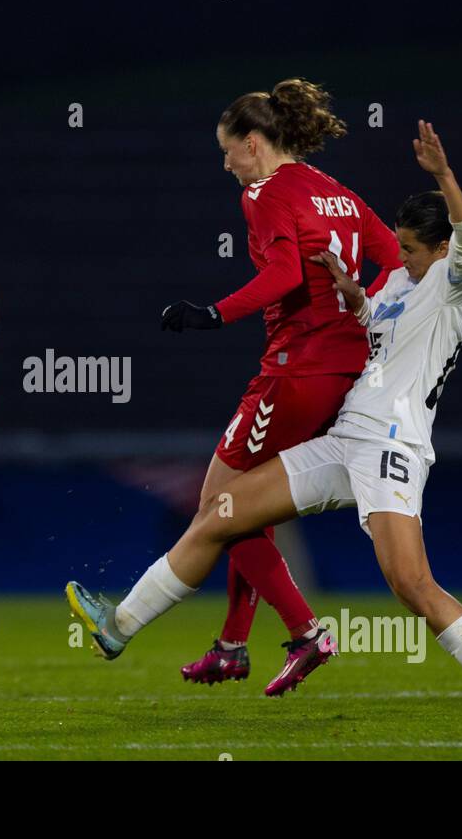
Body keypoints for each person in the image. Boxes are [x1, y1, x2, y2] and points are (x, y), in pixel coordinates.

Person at [69, 121, 462, 715]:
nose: (397, 257)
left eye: (407, 248)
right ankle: (118, 625)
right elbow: (382, 325)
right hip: (345, 437)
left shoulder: (460, 285)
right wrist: (355, 294)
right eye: (396, 246)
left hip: (392, 447)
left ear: (440, 250)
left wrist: (444, 176)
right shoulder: (404, 280)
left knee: (411, 583)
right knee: (221, 512)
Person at [160, 78, 401, 695]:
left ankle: (304, 633)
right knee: (242, 509)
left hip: (296, 369)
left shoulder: (265, 192)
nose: (226, 165)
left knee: (218, 510)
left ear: (253, 144)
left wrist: (213, 313)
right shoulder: (336, 192)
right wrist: (362, 310)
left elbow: (284, 273)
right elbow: (396, 261)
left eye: (227, 151)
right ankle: (232, 646)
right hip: (347, 370)